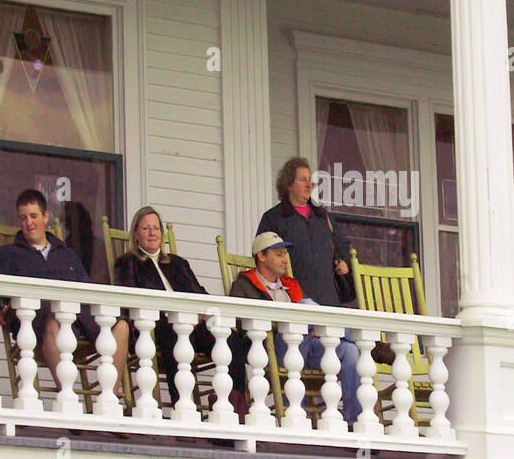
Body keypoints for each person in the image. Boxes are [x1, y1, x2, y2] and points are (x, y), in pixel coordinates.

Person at [0, 189, 129, 394]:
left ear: (45, 217)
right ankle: (68, 397)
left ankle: (110, 398)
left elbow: (86, 290)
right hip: (39, 325)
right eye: (23, 218)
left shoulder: (66, 254)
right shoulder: (6, 255)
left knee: (121, 326)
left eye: (34, 216)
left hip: (78, 321)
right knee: (53, 322)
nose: (29, 223)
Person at [229, 232, 362, 426]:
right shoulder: (244, 285)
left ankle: (353, 422)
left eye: (285, 254)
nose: (285, 259)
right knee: (306, 304)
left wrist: (313, 327)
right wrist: (280, 321)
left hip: (305, 347)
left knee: (350, 351)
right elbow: (240, 324)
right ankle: (355, 334)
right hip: (272, 349)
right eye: (279, 254)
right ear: (261, 256)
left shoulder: (290, 286)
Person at [112, 205, 219, 411]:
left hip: (192, 325)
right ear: (135, 235)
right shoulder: (128, 263)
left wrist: (198, 313)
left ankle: (233, 403)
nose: (152, 233)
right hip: (155, 326)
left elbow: (201, 294)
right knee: (175, 335)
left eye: (156, 228)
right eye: (145, 228)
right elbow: (129, 299)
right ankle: (184, 407)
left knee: (228, 340)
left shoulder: (178, 264)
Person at [255, 157, 352, 307]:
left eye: (310, 181)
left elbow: (344, 247)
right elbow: (262, 257)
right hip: (293, 301)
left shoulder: (323, 217)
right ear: (288, 184)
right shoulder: (274, 218)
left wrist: (344, 262)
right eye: (302, 180)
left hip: (329, 302)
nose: (309, 185)